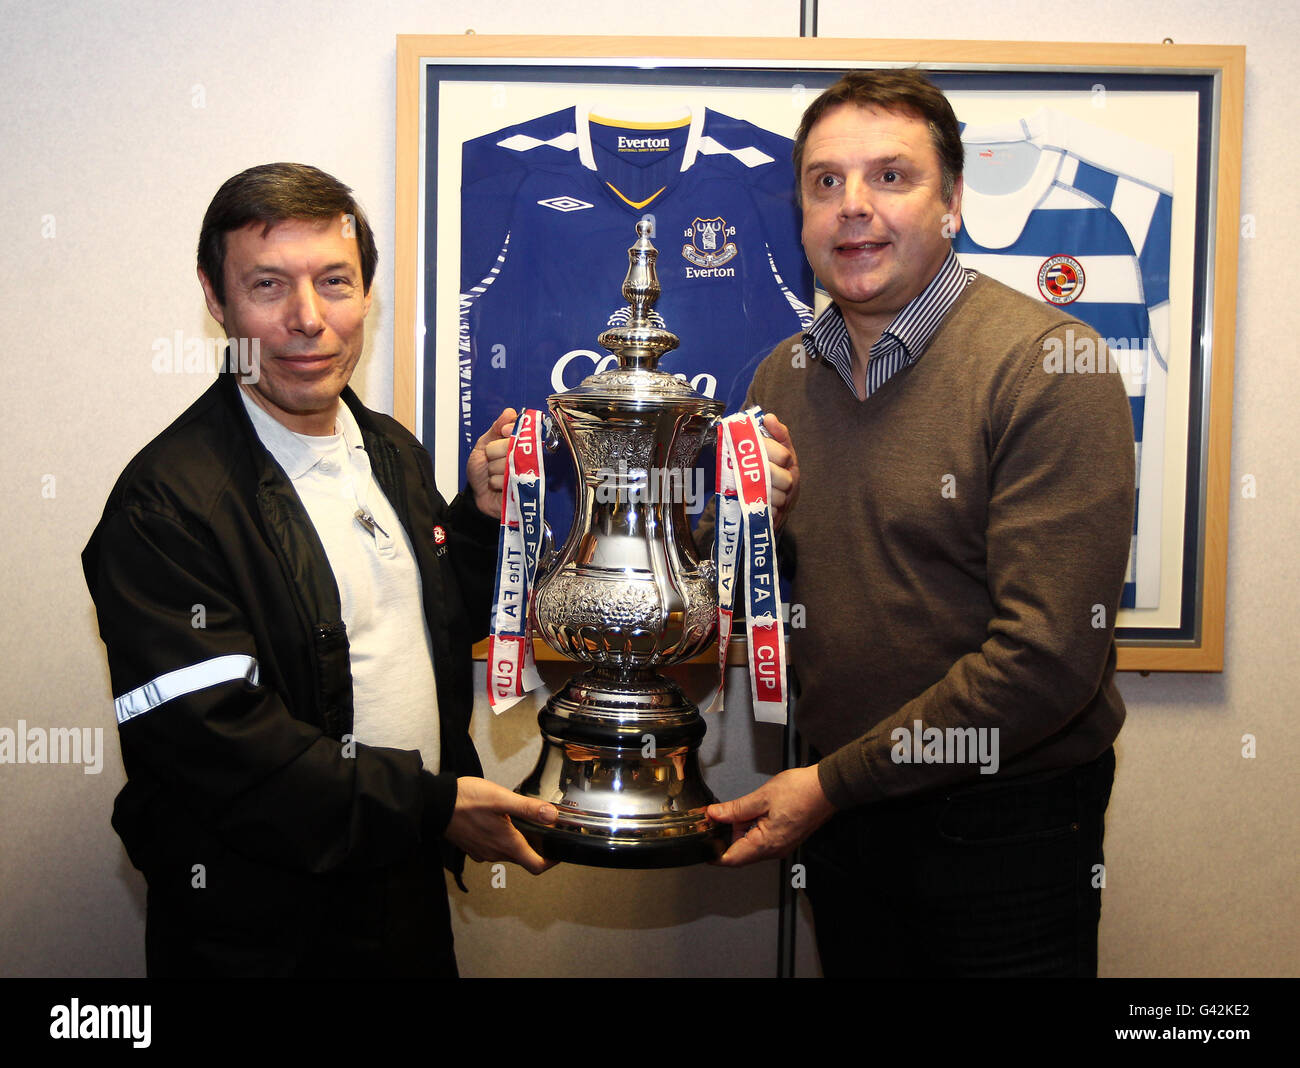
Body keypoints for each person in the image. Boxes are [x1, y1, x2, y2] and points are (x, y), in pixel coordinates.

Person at [705, 71, 1135, 977]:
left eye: (891, 178)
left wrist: (827, 786)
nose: (853, 207)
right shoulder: (780, 377)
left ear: (954, 203)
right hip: (841, 817)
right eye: (826, 183)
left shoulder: (1050, 365)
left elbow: (1047, 659)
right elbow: (769, 605)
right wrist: (749, 531)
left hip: (1000, 827)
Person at [82, 162, 556, 977]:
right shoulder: (164, 507)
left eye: (334, 281)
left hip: (403, 889)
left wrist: (476, 522)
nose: (309, 320)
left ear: (367, 292)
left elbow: (438, 625)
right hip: (260, 927)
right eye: (269, 285)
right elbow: (223, 745)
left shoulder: (390, 451)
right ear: (215, 298)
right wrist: (436, 804)